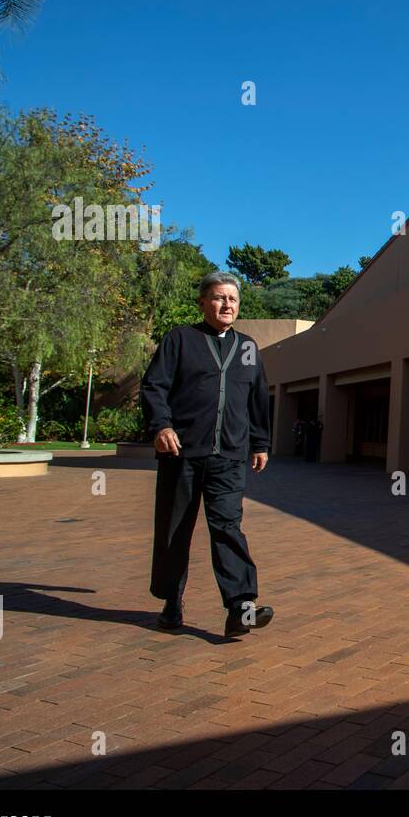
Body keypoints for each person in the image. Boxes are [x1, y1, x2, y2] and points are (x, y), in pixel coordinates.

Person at [140, 271, 275, 638]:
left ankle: (240, 607)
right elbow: (154, 386)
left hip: (229, 457)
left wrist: (260, 443)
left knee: (228, 527)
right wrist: (161, 426)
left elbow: (258, 400)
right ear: (203, 303)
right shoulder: (180, 339)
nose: (227, 304)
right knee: (174, 529)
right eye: (219, 298)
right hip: (180, 453)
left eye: (232, 299)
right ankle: (171, 600)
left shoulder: (248, 348)